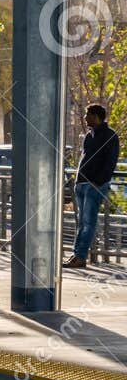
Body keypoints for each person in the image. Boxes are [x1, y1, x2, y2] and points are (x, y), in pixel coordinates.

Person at [66, 104, 119, 269]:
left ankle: (80, 257)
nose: (85, 118)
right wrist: (78, 180)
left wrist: (98, 181)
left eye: (88, 115)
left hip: (94, 185)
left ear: (96, 116)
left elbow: (110, 162)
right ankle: (76, 255)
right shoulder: (89, 136)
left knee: (89, 222)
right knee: (81, 222)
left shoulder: (110, 136)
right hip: (81, 184)